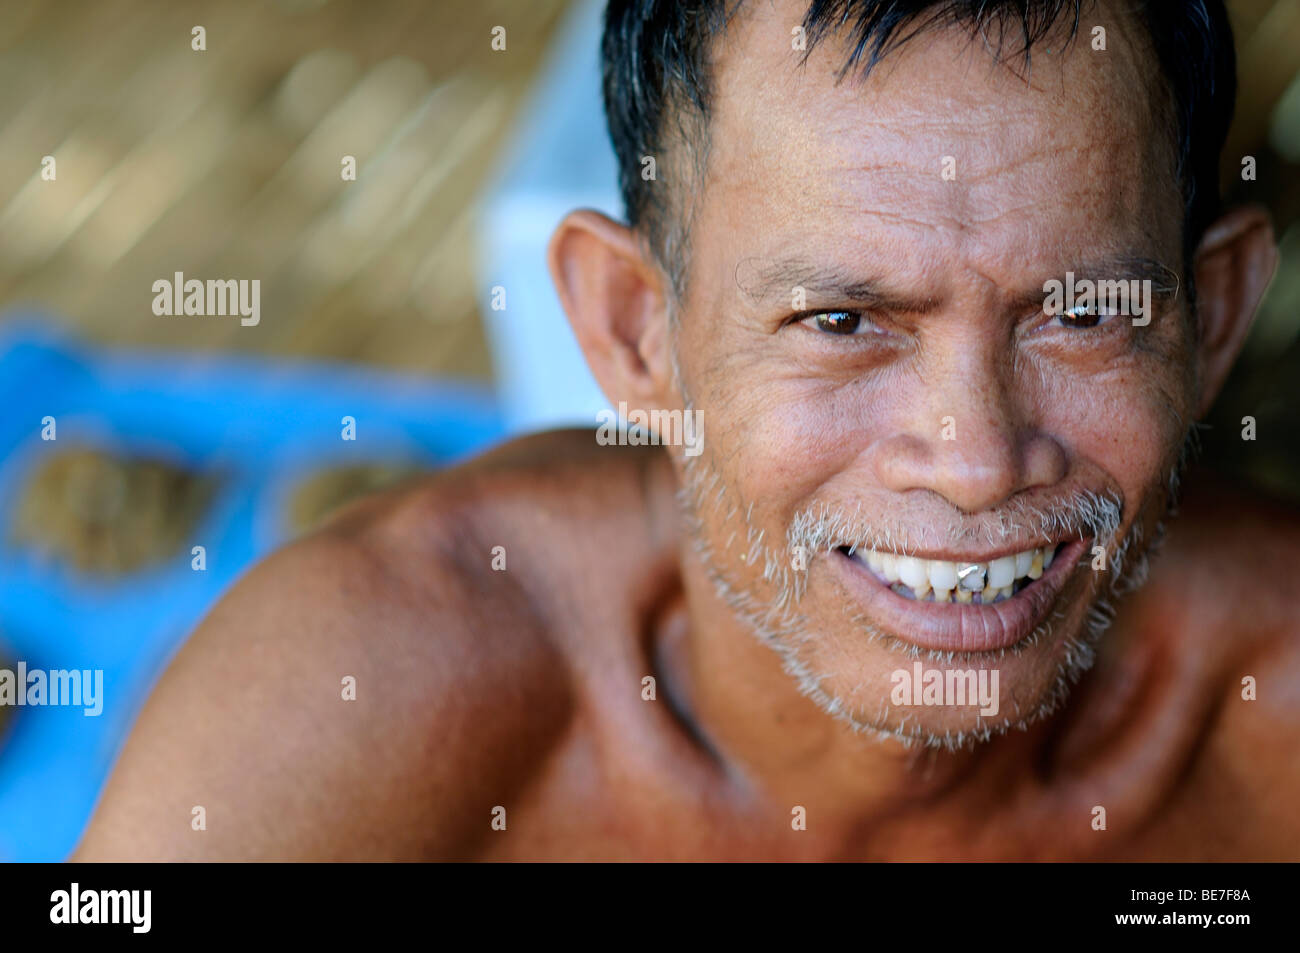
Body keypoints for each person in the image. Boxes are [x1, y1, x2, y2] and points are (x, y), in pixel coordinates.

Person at [73, 0, 1297, 860]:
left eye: (1080, 313)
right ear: (632, 332)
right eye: (839, 321)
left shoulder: (1267, 716)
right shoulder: (374, 690)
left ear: (1217, 316)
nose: (975, 460)